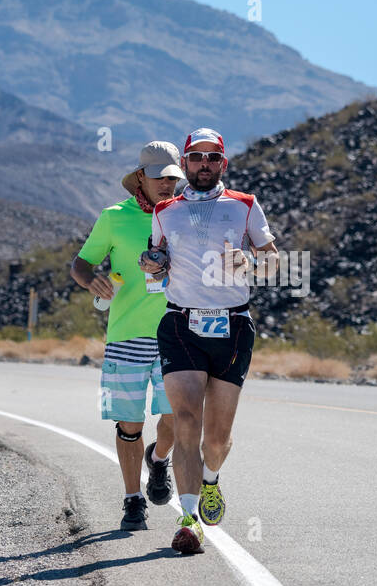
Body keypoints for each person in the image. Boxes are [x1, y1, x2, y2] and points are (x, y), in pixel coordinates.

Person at [140, 128, 279, 554]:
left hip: (232, 326)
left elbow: (275, 262)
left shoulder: (245, 205)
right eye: (196, 158)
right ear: (184, 164)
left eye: (212, 157)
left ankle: (212, 480)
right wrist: (153, 264)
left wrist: (253, 262)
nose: (204, 164)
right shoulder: (165, 210)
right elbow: (154, 265)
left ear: (223, 162)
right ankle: (188, 518)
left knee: (215, 441)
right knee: (184, 419)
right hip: (181, 324)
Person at [71, 142, 185, 531]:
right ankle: (132, 499)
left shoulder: (185, 216)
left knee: (174, 420)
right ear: (141, 178)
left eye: (173, 178)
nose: (168, 186)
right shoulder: (113, 218)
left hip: (177, 335)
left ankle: (159, 460)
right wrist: (92, 282)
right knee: (129, 424)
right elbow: (81, 263)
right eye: (160, 179)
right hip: (126, 337)